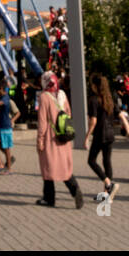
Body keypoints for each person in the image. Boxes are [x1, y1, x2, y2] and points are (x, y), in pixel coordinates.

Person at [35, 72, 83, 209]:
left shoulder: (44, 97)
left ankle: (49, 198)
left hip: (51, 137)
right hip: (64, 137)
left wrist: (40, 140)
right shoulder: (62, 94)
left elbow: (43, 121)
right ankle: (75, 189)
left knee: (48, 168)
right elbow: (68, 114)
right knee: (64, 168)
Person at [84, 73, 119, 200]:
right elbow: (118, 115)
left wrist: (87, 136)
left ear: (95, 85)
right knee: (106, 161)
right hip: (110, 134)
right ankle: (106, 193)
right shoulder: (110, 99)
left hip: (100, 134)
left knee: (91, 160)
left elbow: (93, 121)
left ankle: (109, 184)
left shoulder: (94, 100)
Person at [0, 76, 19, 173]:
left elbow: (1, 103)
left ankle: (9, 168)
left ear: (1, 88)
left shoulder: (6, 98)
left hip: (5, 126)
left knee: (6, 147)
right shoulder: (2, 96)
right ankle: (0, 164)